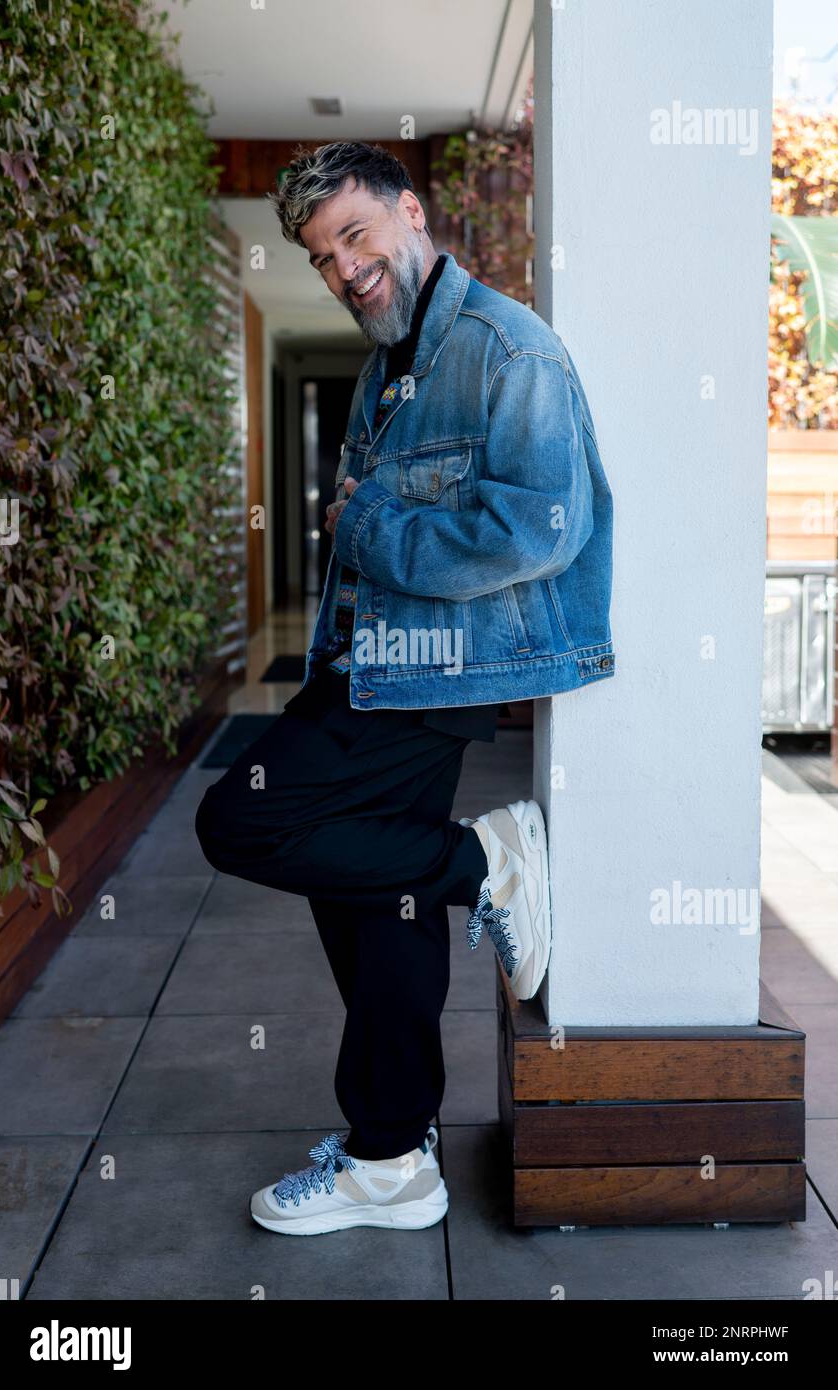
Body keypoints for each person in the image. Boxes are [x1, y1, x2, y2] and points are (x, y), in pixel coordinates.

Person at [194, 140, 615, 1237]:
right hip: (374, 667)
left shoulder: (505, 349)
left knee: (242, 817)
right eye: (322, 256)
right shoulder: (392, 364)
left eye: (354, 236)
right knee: (374, 896)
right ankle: (394, 1155)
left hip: (438, 671)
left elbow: (544, 524)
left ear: (411, 212)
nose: (343, 269)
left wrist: (377, 529)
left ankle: (486, 862)